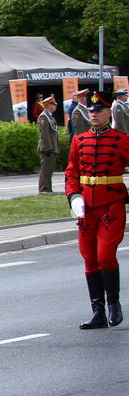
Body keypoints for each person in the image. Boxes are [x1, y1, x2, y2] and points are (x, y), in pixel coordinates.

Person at [64, 90, 129, 329]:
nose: (93, 115)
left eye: (98, 111)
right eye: (91, 111)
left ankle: (113, 304)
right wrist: (73, 196)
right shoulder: (79, 140)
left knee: (105, 255)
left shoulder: (121, 139)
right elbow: (71, 172)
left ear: (108, 113)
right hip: (86, 207)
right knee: (89, 258)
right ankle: (98, 311)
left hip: (111, 203)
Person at [37, 95, 59, 194]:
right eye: (53, 104)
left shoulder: (49, 116)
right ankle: (43, 189)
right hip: (47, 148)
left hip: (52, 147)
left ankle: (48, 188)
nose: (55, 106)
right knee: (45, 170)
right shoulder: (43, 117)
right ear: (47, 105)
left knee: (49, 169)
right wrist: (48, 148)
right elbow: (44, 134)